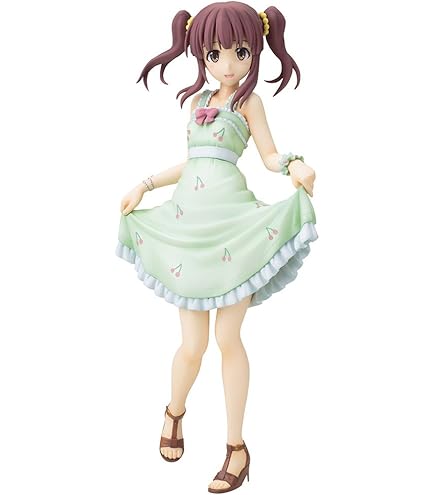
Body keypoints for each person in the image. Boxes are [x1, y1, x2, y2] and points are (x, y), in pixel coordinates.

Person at [115, 2, 318, 492]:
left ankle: (236, 447)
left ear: (255, 52)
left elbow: (268, 154)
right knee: (192, 345)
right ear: (201, 54)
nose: (228, 64)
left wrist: (293, 164)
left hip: (232, 226)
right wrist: (144, 184)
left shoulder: (249, 103)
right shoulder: (197, 103)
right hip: (188, 225)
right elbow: (192, 162)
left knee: (229, 339)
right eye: (215, 54)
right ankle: (173, 411)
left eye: (240, 52)